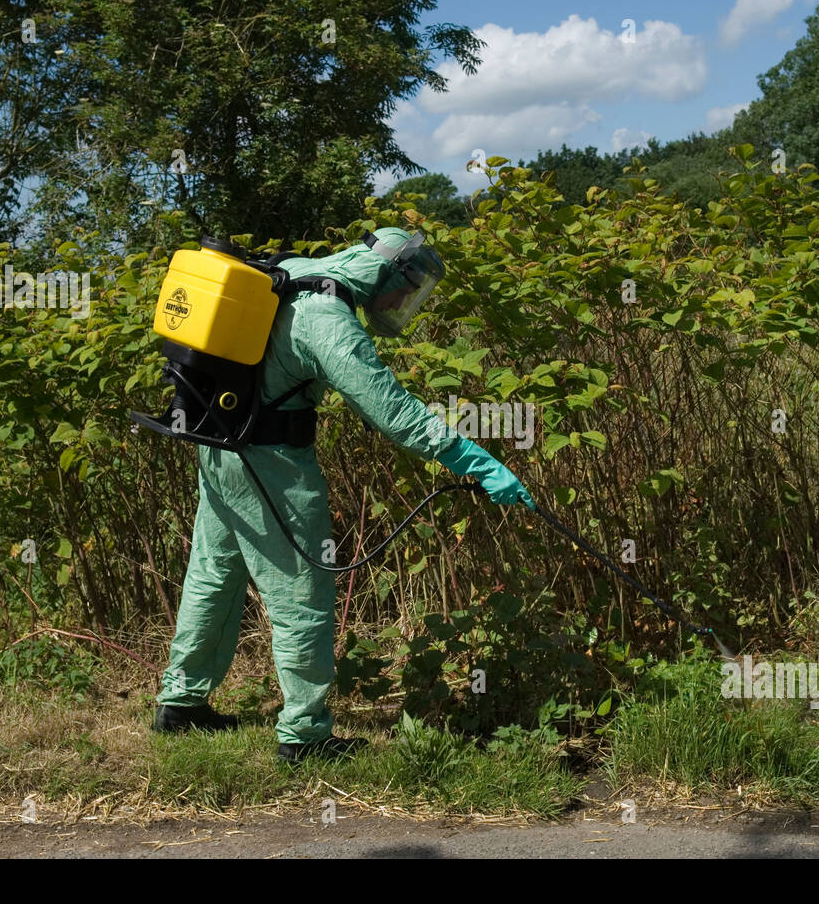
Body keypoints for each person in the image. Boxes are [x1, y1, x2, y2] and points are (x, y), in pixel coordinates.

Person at [151, 227, 533, 761]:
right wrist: (478, 462)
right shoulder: (326, 319)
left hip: (217, 445)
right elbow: (394, 414)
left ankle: (181, 703)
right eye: (406, 289)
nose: (403, 302)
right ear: (386, 273)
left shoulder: (298, 272)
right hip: (272, 462)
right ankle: (304, 734)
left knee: (215, 572)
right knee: (301, 592)